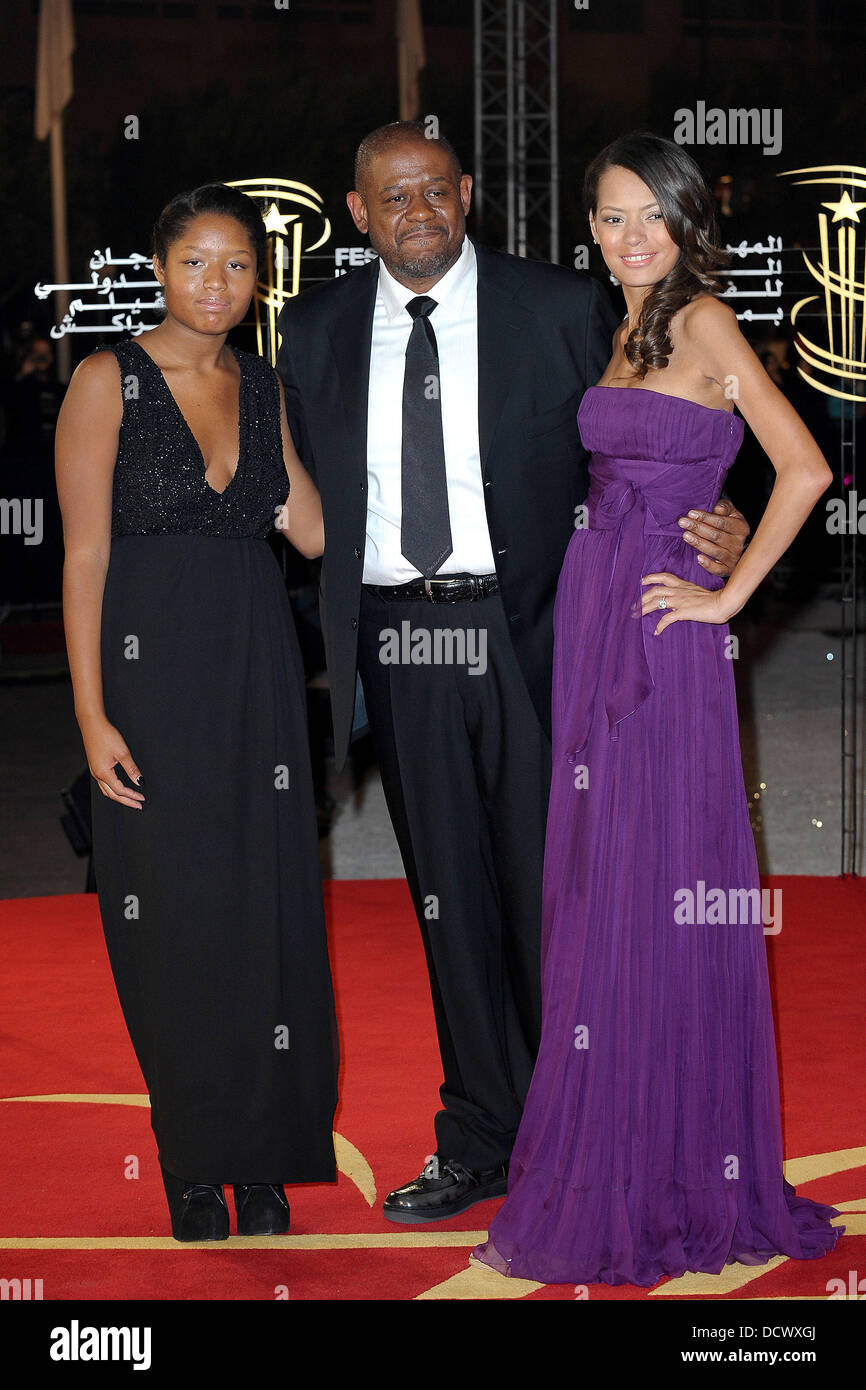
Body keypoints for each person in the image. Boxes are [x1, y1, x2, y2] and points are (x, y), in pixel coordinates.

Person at [276, 121, 750, 1223]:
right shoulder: (317, 328)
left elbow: (658, 423)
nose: (417, 212)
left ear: (468, 193)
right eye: (391, 198)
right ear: (357, 215)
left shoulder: (556, 303)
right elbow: (283, 475)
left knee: (565, 897)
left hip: (546, 633)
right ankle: (482, 1134)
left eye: (436, 191)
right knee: (449, 904)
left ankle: (583, 1127)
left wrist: (713, 519)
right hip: (401, 644)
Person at [472, 132, 844, 1285]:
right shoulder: (624, 331)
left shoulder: (702, 323)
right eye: (607, 217)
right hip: (598, 613)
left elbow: (804, 469)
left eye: (649, 216)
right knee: (605, 875)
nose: (628, 237)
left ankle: (671, 1169)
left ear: (686, 224)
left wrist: (727, 591)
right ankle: (629, 1148)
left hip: (661, 627)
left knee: (655, 871)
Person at [55, 183, 339, 1242]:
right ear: (157, 269)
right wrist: (91, 715)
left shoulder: (263, 386)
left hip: (257, 676)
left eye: (235, 265)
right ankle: (192, 1157)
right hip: (148, 680)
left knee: (263, 916)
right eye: (194, 263)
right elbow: (82, 558)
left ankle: (260, 1159)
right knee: (172, 926)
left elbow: (309, 531)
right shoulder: (106, 379)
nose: (214, 285)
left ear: (258, 280)